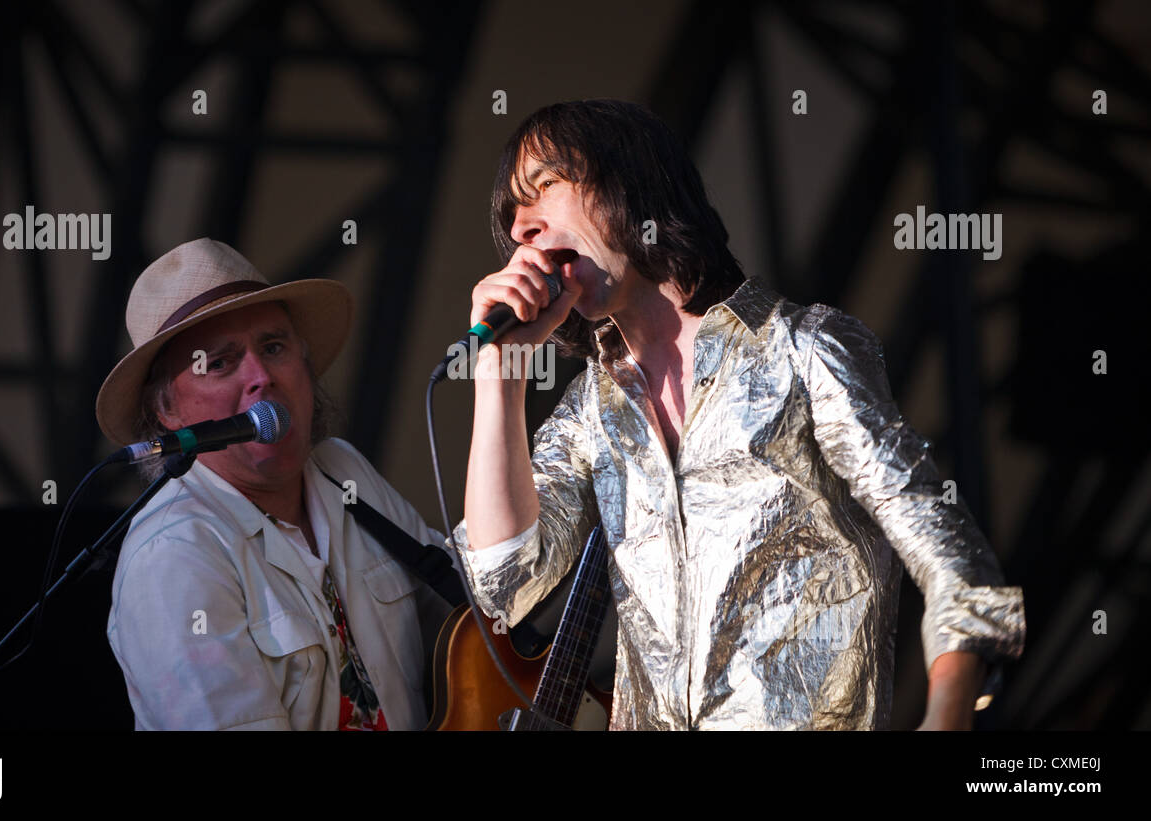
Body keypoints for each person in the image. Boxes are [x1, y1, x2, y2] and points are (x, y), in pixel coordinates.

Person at [454, 99, 1025, 730]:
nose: (521, 229)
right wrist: (499, 373)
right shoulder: (592, 408)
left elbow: (949, 553)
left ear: (631, 183)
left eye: (544, 189)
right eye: (512, 216)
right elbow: (505, 583)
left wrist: (945, 718)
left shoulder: (802, 350)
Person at [96, 238, 452, 730]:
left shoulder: (342, 470)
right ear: (168, 412)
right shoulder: (174, 554)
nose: (261, 376)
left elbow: (469, 622)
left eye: (274, 347)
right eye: (219, 363)